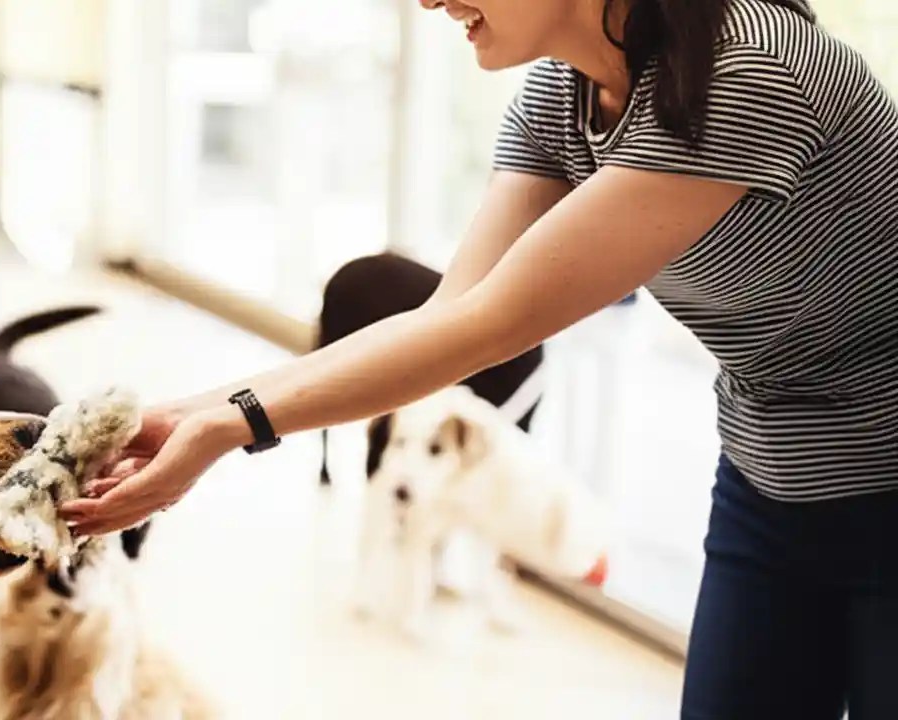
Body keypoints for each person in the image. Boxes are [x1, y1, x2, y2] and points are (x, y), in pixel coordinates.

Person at [62, 0, 898, 716]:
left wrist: (229, 429)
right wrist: (190, 416)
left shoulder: (746, 70)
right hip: (774, 475)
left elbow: (488, 329)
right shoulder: (563, 92)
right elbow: (447, 314)